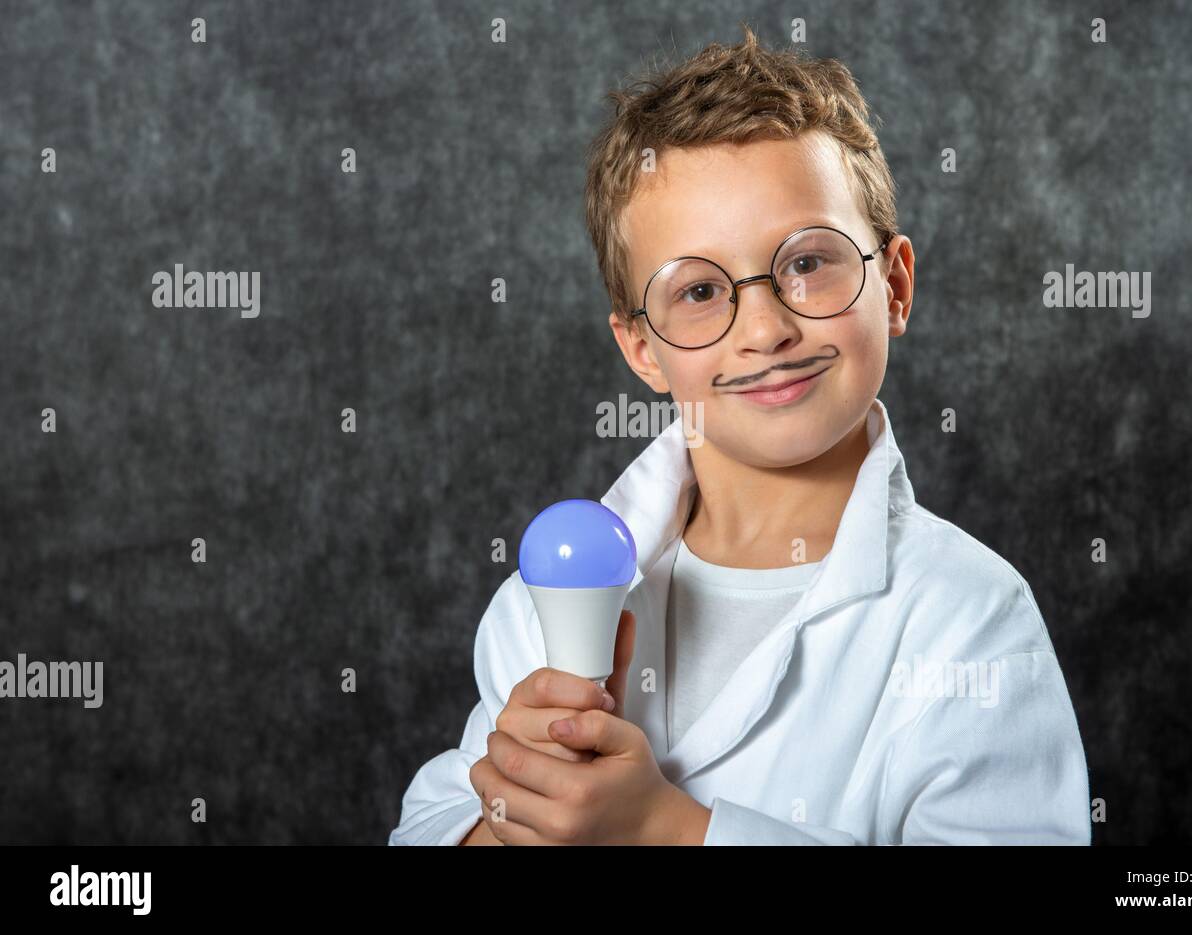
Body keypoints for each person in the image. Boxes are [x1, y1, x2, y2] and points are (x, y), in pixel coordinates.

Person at [389, 24, 1090, 845]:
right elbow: (434, 818)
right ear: (642, 347)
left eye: (806, 262)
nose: (763, 328)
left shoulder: (971, 618)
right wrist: (523, 813)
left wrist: (664, 830)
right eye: (697, 291)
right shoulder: (553, 593)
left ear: (894, 285)